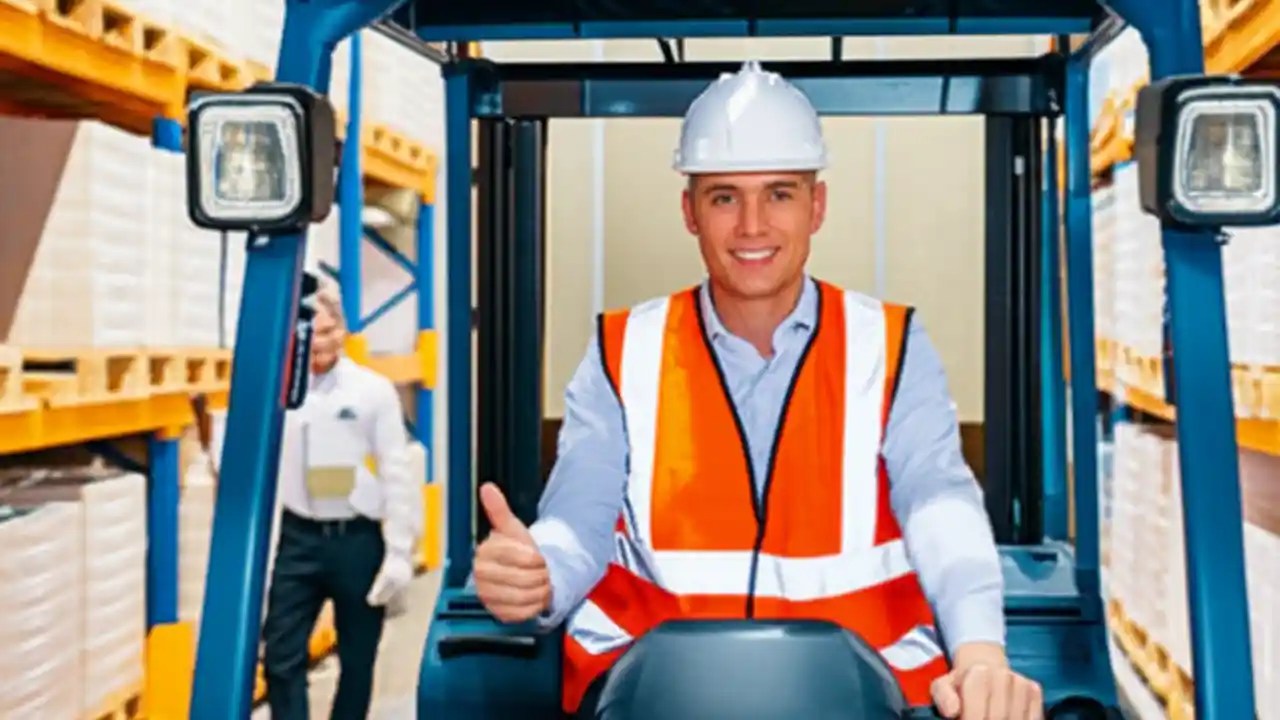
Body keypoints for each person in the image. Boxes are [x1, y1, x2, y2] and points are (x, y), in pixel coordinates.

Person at [472, 61, 1043, 720]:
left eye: (778, 193)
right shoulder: (623, 352)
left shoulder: (889, 347)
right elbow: (579, 523)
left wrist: (980, 655)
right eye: (723, 196)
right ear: (690, 211)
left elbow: (940, 505)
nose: (751, 226)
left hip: (861, 699)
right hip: (657, 698)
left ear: (816, 206)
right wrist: (537, 576)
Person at [261, 279, 422, 720]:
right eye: (312, 333)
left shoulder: (371, 391)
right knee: (281, 658)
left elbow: (396, 471)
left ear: (344, 331)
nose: (321, 342)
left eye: (329, 331)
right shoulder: (279, 394)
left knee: (357, 660)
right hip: (299, 540)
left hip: (356, 540)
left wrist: (399, 553)